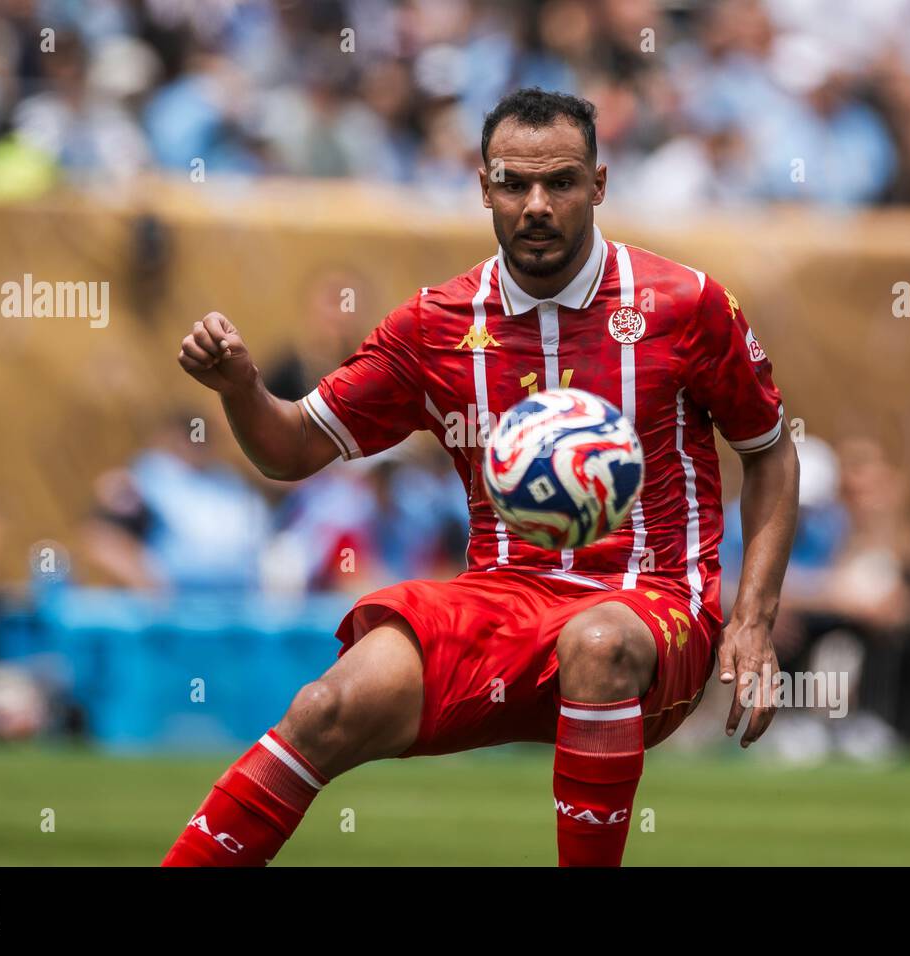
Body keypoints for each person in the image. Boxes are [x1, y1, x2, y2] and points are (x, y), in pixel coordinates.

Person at [163, 88, 800, 867]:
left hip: (652, 608)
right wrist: (240, 390)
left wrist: (753, 619)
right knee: (327, 707)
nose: (537, 204)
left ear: (599, 185)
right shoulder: (437, 324)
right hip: (500, 601)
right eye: (514, 183)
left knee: (595, 643)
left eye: (561, 182)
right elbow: (292, 449)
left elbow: (768, 448)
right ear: (484, 187)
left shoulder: (684, 306)